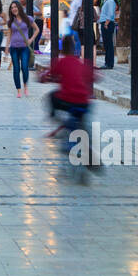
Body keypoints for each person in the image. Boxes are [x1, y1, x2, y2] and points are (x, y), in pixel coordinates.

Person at [43, 36, 96, 180]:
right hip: (84, 103)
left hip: (68, 101)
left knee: (52, 96)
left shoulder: (60, 62)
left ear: (62, 49)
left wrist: (45, 78)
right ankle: (86, 148)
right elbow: (94, 76)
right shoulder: (82, 63)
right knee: (83, 125)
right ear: (75, 49)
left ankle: (56, 118)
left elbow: (47, 76)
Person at [5, 0, 39, 99]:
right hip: (14, 48)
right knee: (16, 69)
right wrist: (7, 47)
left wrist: (31, 39)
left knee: (24, 67)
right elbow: (9, 34)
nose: (13, 9)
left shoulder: (28, 19)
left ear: (19, 7)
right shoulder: (10, 21)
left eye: (15, 7)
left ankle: (25, 87)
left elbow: (37, 29)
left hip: (24, 47)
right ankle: (18, 90)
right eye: (12, 8)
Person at [98, 0, 117, 69]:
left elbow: (110, 14)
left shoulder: (110, 1)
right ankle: (107, 62)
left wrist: (106, 23)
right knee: (106, 44)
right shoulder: (105, 1)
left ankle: (109, 64)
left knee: (108, 44)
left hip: (107, 24)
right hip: (105, 23)